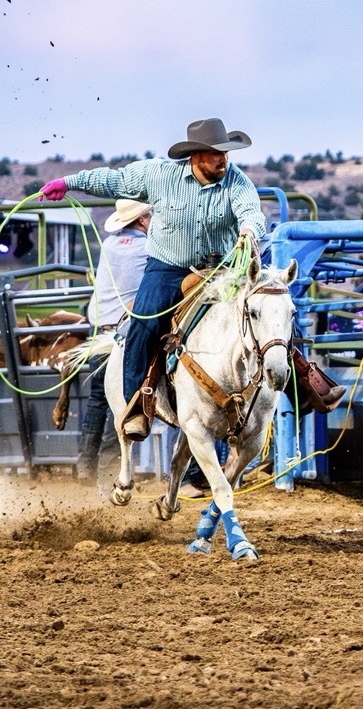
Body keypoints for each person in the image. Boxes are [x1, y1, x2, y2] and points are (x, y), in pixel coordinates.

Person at [40, 118, 344, 439]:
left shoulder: (237, 182)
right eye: (216, 153)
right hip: (168, 268)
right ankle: (137, 406)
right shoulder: (159, 175)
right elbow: (114, 180)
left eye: (225, 153)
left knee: (273, 310)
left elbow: (251, 212)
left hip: (222, 269)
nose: (223, 159)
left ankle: (305, 387)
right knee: (144, 322)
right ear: (196, 156)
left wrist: (248, 231)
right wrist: (67, 182)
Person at [76, 199, 151, 486]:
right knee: (123, 398)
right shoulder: (147, 248)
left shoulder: (109, 245)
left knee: (98, 398)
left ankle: (85, 463)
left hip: (99, 326)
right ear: (142, 220)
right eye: (149, 216)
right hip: (125, 331)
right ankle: (111, 466)